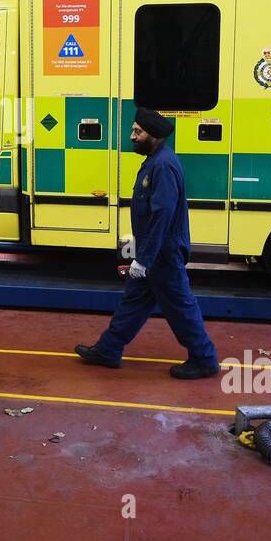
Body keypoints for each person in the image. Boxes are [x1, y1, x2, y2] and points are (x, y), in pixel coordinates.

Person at [75, 107, 221, 379]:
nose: (132, 136)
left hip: (162, 253)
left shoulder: (162, 166)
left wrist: (144, 259)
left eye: (138, 132)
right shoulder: (155, 161)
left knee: (179, 304)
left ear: (152, 135)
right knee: (134, 300)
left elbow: (161, 215)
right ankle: (109, 349)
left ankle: (204, 359)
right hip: (154, 251)